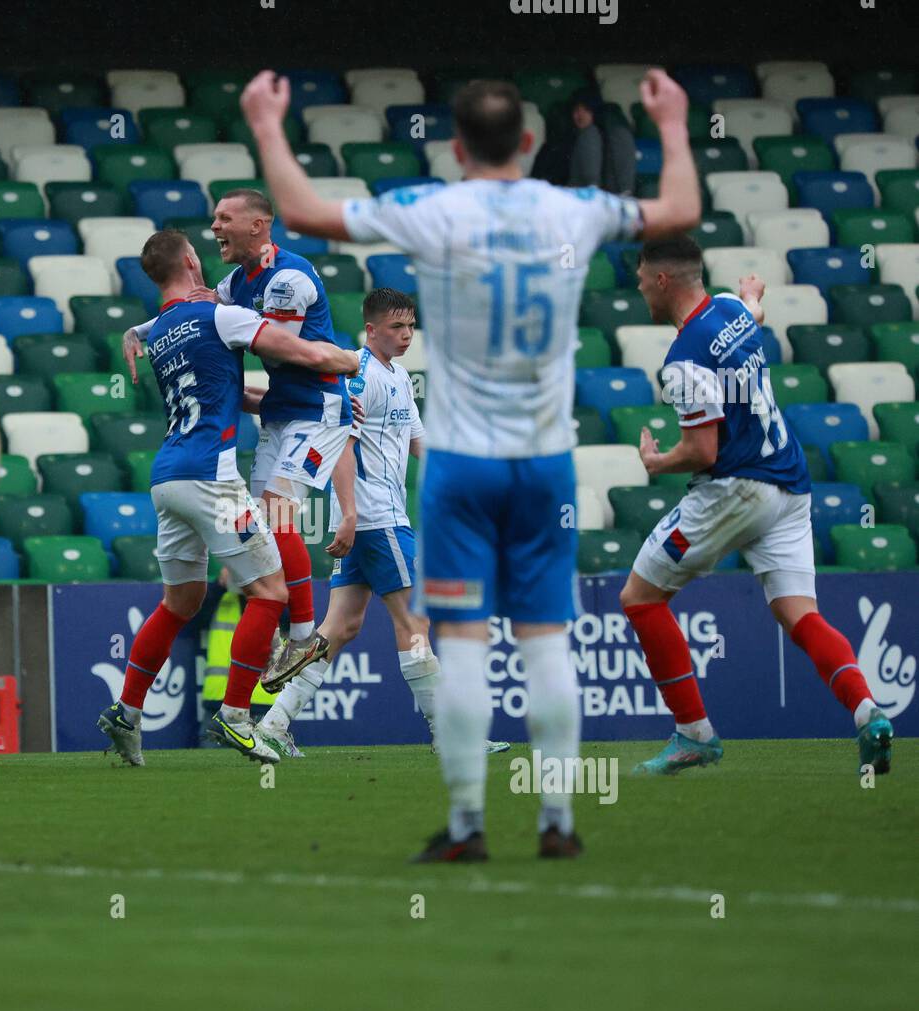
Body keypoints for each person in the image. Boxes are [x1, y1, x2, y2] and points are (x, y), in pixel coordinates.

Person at [240, 67, 702, 861]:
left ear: (455, 148)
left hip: (460, 467)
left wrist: (267, 124)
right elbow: (681, 210)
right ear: (529, 142)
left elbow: (305, 210)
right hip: (544, 463)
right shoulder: (572, 208)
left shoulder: (434, 209)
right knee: (547, 638)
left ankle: (466, 826)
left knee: (459, 644)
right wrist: (672, 123)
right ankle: (557, 820)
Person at [623, 241, 894, 775]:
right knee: (800, 614)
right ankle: (869, 714)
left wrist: (657, 463)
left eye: (639, 278)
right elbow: (754, 312)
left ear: (661, 281)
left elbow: (703, 452)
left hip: (735, 491)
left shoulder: (683, 360)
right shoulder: (730, 309)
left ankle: (694, 734)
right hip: (790, 484)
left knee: (640, 598)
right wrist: (750, 295)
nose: (635, 287)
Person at [98, 230, 358, 766]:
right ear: (192, 261)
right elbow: (297, 349)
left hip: (166, 478)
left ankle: (127, 710)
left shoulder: (164, 330)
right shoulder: (220, 317)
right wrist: (350, 361)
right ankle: (237, 716)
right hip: (211, 479)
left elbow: (229, 393)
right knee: (269, 593)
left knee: (180, 604)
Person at [256, 287, 511, 762]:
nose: (407, 334)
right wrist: (350, 513)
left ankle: (272, 724)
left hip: (376, 518)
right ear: (371, 329)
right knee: (414, 622)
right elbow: (341, 444)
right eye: (397, 327)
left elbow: (420, 442)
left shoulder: (398, 376)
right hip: (376, 518)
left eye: (411, 326)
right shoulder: (358, 374)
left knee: (342, 626)